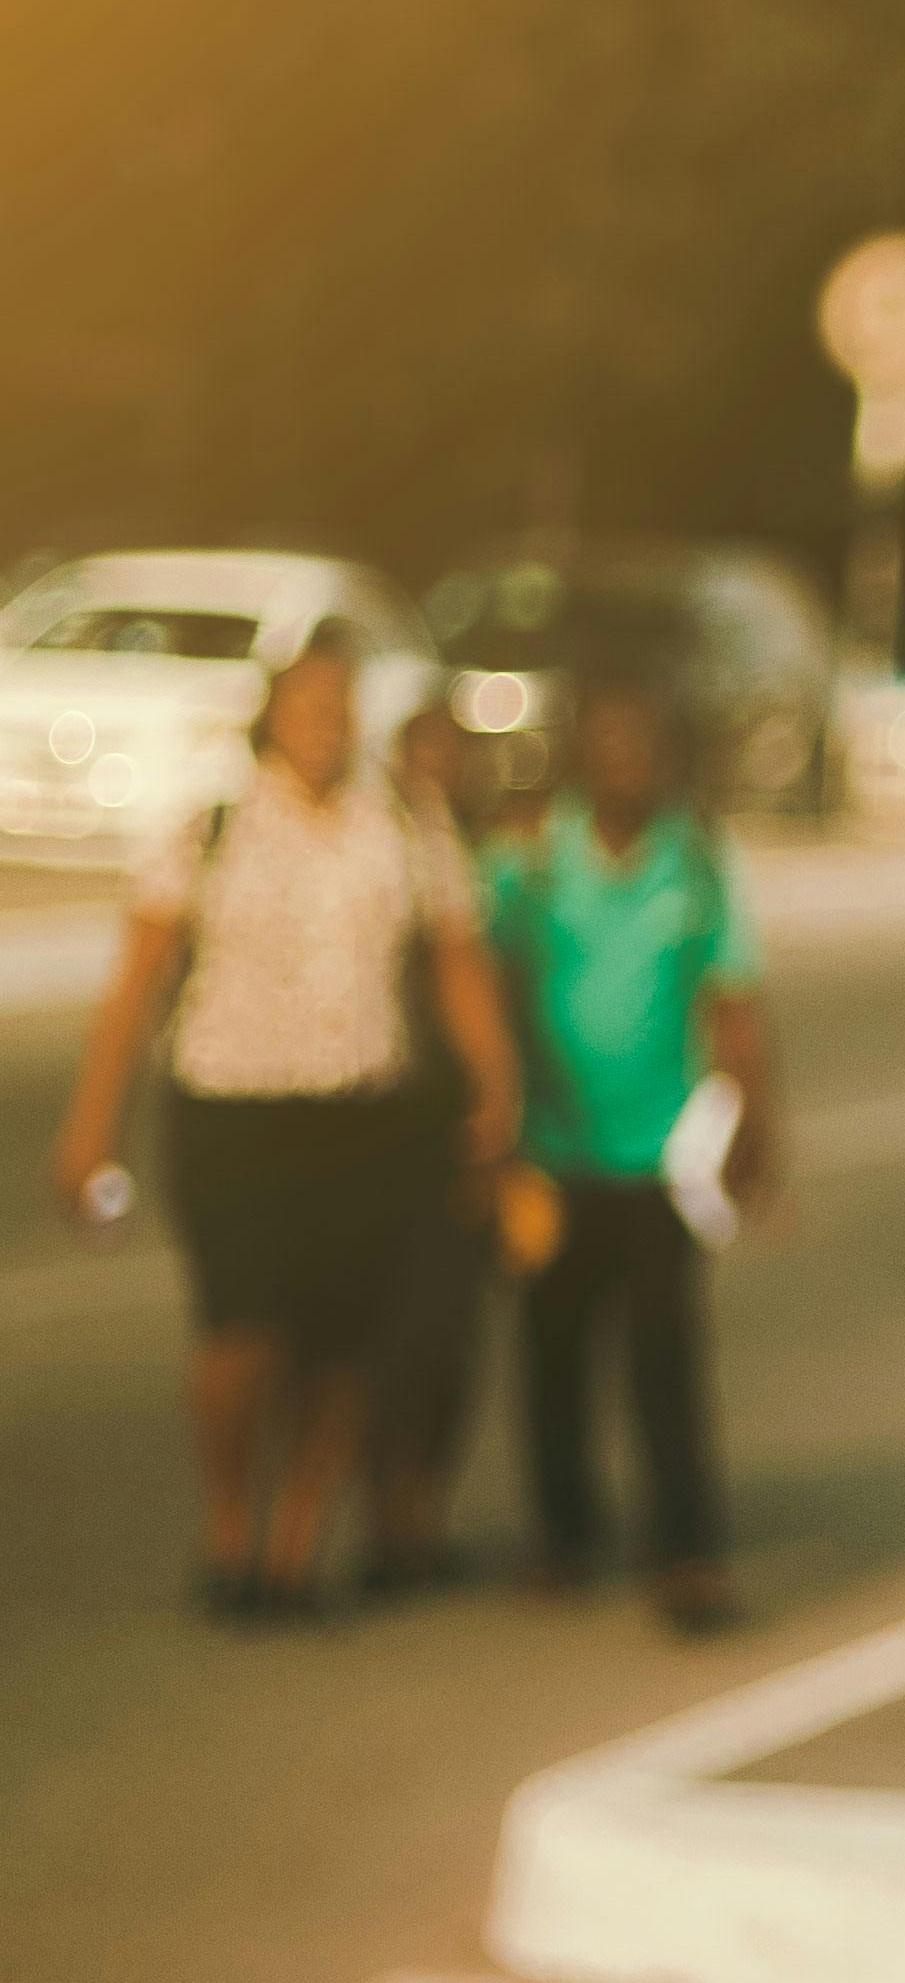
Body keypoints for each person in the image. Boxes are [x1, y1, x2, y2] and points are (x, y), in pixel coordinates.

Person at [47, 624, 518, 1618]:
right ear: (270, 717)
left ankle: (297, 1539)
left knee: (340, 1343)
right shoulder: (210, 826)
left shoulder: (402, 818)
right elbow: (136, 990)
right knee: (242, 1334)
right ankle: (231, 1526)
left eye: (339, 709)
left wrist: (493, 1087)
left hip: (362, 1117)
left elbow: (457, 961)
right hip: (233, 1114)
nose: (322, 727)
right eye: (305, 708)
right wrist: (92, 1128)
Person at [482, 675, 780, 1636]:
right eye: (609, 746)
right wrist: (492, 1123)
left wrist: (758, 1122)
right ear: (583, 757)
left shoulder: (695, 860)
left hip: (662, 1155)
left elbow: (733, 997)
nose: (628, 763)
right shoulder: (528, 860)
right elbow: (484, 983)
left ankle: (687, 1551)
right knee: (554, 1351)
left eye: (645, 747)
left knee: (665, 1356)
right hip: (551, 1153)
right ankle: (566, 1534)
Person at [361, 687, 507, 1591]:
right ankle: (381, 1518)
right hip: (377, 1134)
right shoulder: (373, 859)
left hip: (467, 1131)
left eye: (456, 757)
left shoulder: (496, 862)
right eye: (423, 757)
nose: (440, 775)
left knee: (449, 1336)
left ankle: (420, 1513)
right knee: (376, 1341)